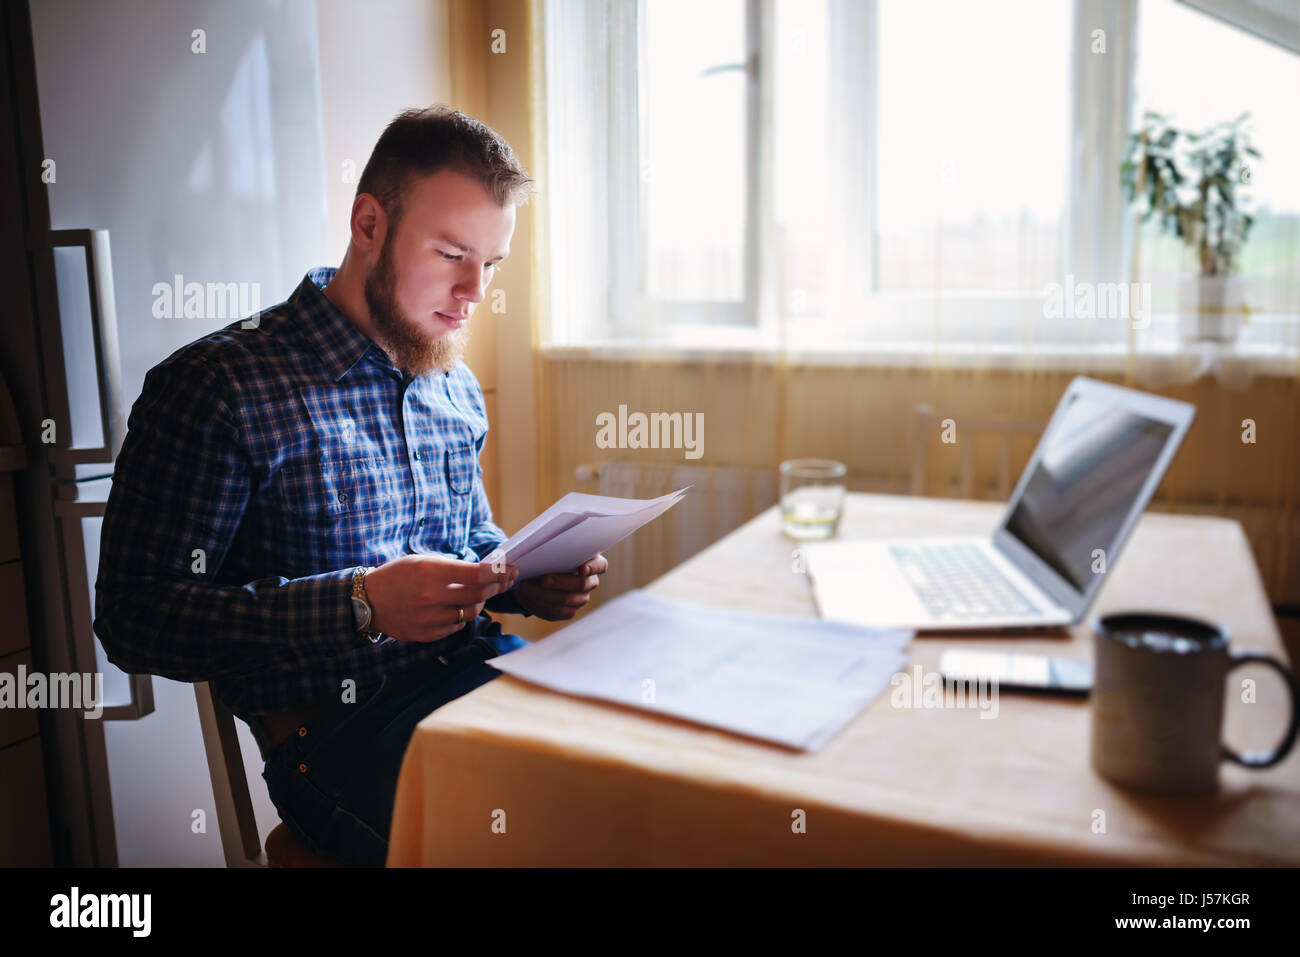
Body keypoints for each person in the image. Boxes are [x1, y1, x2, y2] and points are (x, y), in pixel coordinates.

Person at [92, 105, 608, 867]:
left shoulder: (451, 385)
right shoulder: (217, 386)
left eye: (491, 264)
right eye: (451, 253)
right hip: (338, 736)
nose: (474, 292)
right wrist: (360, 603)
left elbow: (469, 549)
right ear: (370, 222)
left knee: (664, 788)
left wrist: (525, 579)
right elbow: (134, 618)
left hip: (481, 675)